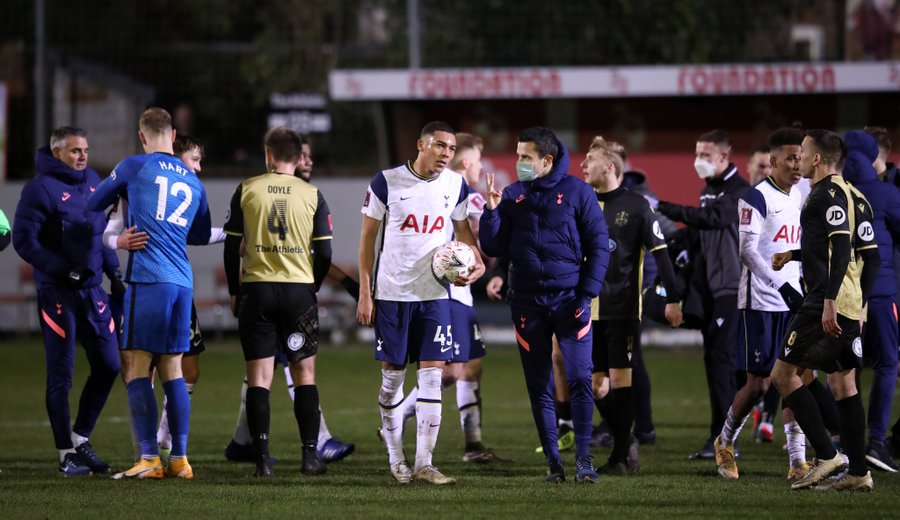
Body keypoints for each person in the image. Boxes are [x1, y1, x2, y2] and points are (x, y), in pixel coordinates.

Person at [357, 121, 485, 485]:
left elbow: (462, 233)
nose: (446, 153)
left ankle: (424, 463)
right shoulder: (386, 181)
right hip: (393, 295)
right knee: (392, 381)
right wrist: (366, 292)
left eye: (451, 148)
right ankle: (396, 457)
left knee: (432, 378)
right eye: (441, 146)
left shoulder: (455, 185)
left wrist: (474, 262)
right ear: (421, 144)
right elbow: (367, 239)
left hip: (435, 294)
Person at [480, 126, 609, 483]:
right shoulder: (511, 194)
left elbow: (599, 247)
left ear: (546, 161)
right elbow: (492, 246)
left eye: (525, 157)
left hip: (571, 303)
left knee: (582, 378)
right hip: (526, 304)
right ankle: (554, 462)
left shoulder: (578, 193)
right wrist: (491, 212)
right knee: (539, 384)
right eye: (518, 155)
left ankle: (584, 459)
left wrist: (586, 297)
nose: (519, 162)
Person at [88, 108, 212, 480]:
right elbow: (200, 233)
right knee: (173, 369)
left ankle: (147, 459)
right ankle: (180, 459)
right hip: (182, 282)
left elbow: (93, 204)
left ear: (142, 137)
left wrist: (119, 231)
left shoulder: (133, 166)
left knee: (134, 365)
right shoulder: (193, 180)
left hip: (148, 278)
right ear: (173, 135)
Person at [223, 134, 356, 465]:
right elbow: (323, 252)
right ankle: (310, 455)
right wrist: (314, 285)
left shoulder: (247, 187)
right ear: (298, 158)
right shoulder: (312, 194)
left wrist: (234, 291)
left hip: (257, 289)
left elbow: (230, 247)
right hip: (298, 292)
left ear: (267, 153)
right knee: (304, 374)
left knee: (258, 378)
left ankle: (263, 459)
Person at [770, 129, 880, 491]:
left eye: (802, 151)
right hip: (849, 304)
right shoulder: (857, 197)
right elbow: (872, 259)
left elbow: (842, 249)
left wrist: (830, 301)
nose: (798, 156)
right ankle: (859, 472)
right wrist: (858, 305)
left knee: (784, 376)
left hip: (823, 302)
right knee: (843, 383)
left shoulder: (823, 196)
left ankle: (826, 454)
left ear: (817, 158)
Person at [12, 126, 122, 476]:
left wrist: (115, 274)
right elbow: (23, 240)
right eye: (75, 151)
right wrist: (61, 269)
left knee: (110, 364)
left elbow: (100, 233)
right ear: (57, 152)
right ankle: (65, 454)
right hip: (57, 294)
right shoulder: (39, 189)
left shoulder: (93, 180)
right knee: (62, 375)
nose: (83, 156)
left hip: (92, 293)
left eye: (86, 150)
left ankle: (80, 438)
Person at [391, 132, 498, 463]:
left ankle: (473, 444)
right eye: (478, 161)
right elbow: (491, 235)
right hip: (448, 292)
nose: (480, 167)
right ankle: (396, 419)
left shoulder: (458, 195)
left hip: (460, 292)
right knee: (450, 370)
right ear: (467, 163)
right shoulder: (467, 198)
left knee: (471, 366)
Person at [711, 127, 809, 480]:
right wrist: (778, 285)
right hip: (760, 302)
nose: (797, 165)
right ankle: (724, 442)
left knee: (793, 378)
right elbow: (747, 251)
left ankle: (797, 462)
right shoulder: (755, 197)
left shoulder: (799, 195)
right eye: (790, 158)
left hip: (793, 301)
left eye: (800, 157)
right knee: (759, 385)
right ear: (773, 161)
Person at [581, 136, 682, 475]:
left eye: (590, 159)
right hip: (585, 309)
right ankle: (628, 441)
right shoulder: (581, 204)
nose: (583, 165)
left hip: (622, 309)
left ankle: (620, 456)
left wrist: (674, 298)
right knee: (593, 384)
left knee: (621, 381)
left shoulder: (638, 206)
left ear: (609, 167)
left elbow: (662, 255)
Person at [657, 129, 749, 459]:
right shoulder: (709, 191)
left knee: (729, 364)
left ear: (724, 157)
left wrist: (662, 207)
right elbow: (699, 231)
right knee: (719, 363)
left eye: (705, 155)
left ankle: (726, 439)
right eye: (697, 154)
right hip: (713, 289)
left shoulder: (739, 191)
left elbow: (713, 219)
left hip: (733, 288)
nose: (699, 161)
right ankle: (722, 436)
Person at [841, 129, 900, 472]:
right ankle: (876, 441)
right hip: (878, 295)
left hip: (842, 295)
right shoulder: (886, 194)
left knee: (843, 369)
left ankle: (844, 441)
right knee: (887, 364)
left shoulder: (833, 193)